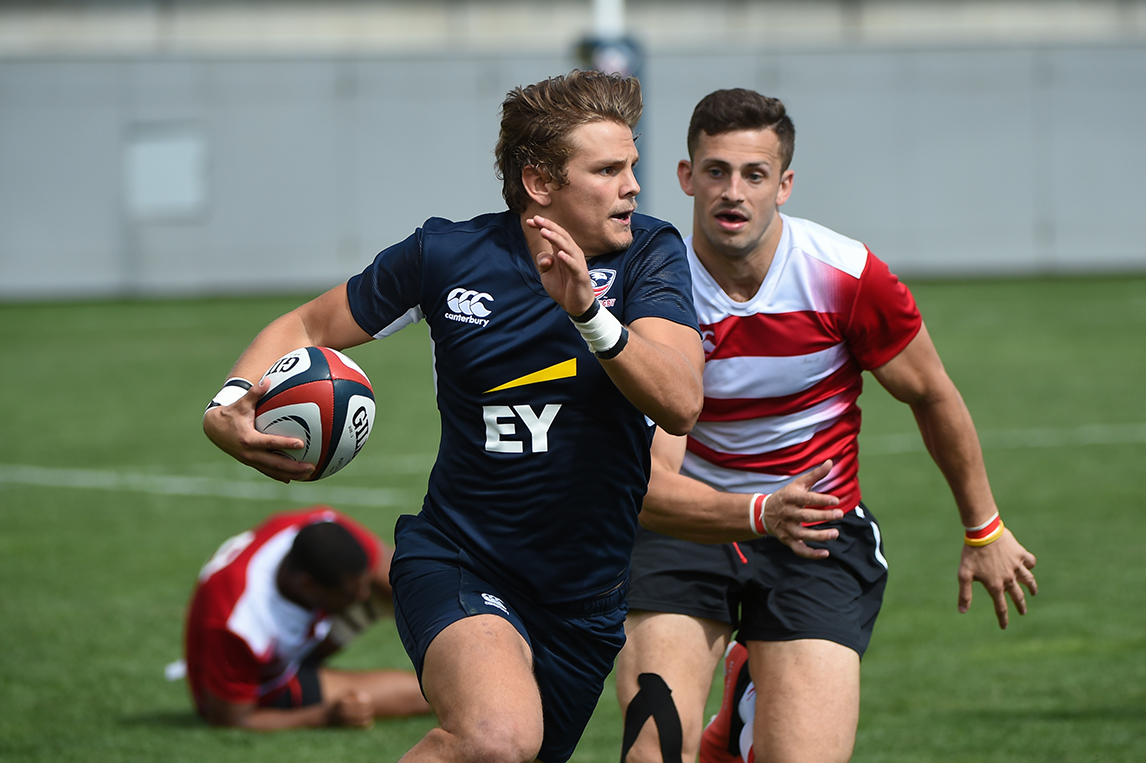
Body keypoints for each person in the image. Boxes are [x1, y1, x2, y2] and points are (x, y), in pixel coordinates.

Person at [202, 69, 704, 762]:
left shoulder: (651, 252)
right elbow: (307, 325)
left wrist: (589, 314)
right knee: (497, 738)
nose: (633, 187)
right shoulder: (448, 254)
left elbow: (680, 401)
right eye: (609, 169)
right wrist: (227, 404)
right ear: (539, 182)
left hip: (585, 596)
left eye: (632, 167)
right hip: (463, 560)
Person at [614, 89, 1039, 763]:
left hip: (814, 527)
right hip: (686, 528)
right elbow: (651, 477)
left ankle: (745, 700)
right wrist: (751, 511)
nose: (734, 192)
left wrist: (984, 527)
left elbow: (931, 393)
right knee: (654, 752)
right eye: (716, 171)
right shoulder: (650, 286)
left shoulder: (843, 274)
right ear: (686, 177)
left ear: (783, 184)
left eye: (754, 175)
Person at [182, 505, 430, 730]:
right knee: (429, 695)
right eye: (353, 593)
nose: (363, 595)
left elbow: (406, 576)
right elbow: (230, 720)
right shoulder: (237, 622)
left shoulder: (323, 525)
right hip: (266, 681)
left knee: (405, 585)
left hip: (294, 634)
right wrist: (322, 717)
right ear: (308, 585)